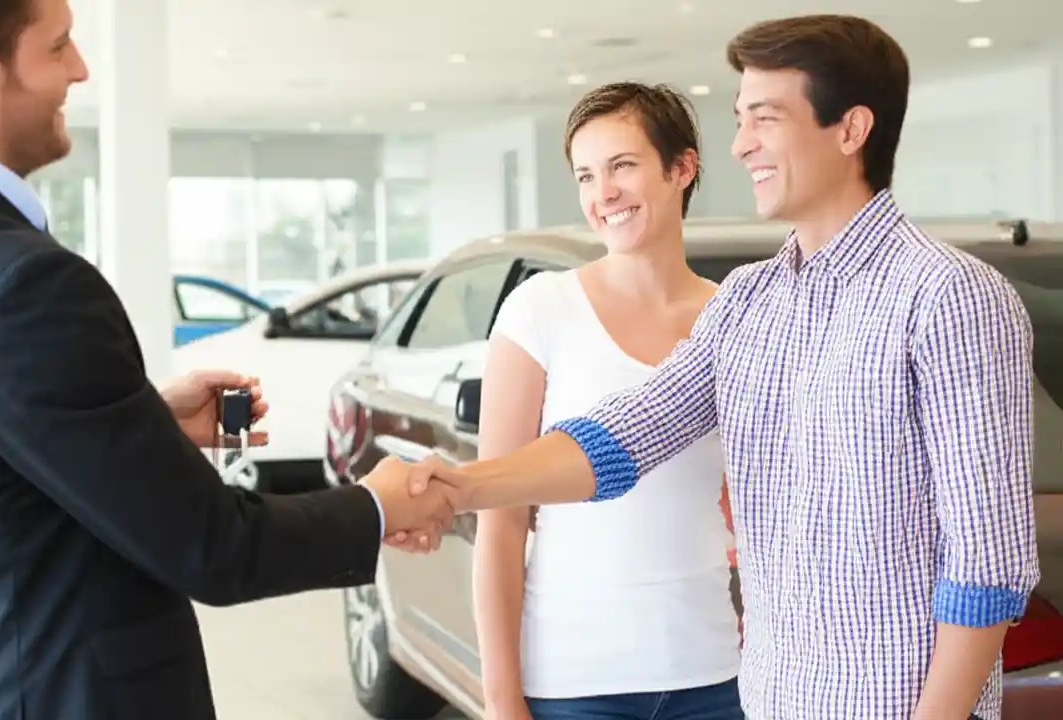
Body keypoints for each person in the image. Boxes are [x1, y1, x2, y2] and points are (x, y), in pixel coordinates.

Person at [0, 1, 453, 719]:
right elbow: (215, 547)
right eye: (57, 47)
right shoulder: (26, 285)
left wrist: (139, 427)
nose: (80, 70)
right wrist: (377, 505)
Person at [403, 14, 1038, 720]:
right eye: (740, 121)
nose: (740, 146)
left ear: (851, 130)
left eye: (764, 119)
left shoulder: (951, 296)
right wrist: (458, 486)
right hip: (769, 700)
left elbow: (988, 563)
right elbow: (625, 436)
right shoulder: (747, 300)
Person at [472, 82, 742, 720]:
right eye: (586, 176)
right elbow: (502, 521)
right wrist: (502, 700)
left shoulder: (732, 317)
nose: (604, 194)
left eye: (622, 166)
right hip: (573, 682)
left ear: (682, 167)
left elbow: (759, 505)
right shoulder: (541, 309)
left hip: (712, 674)